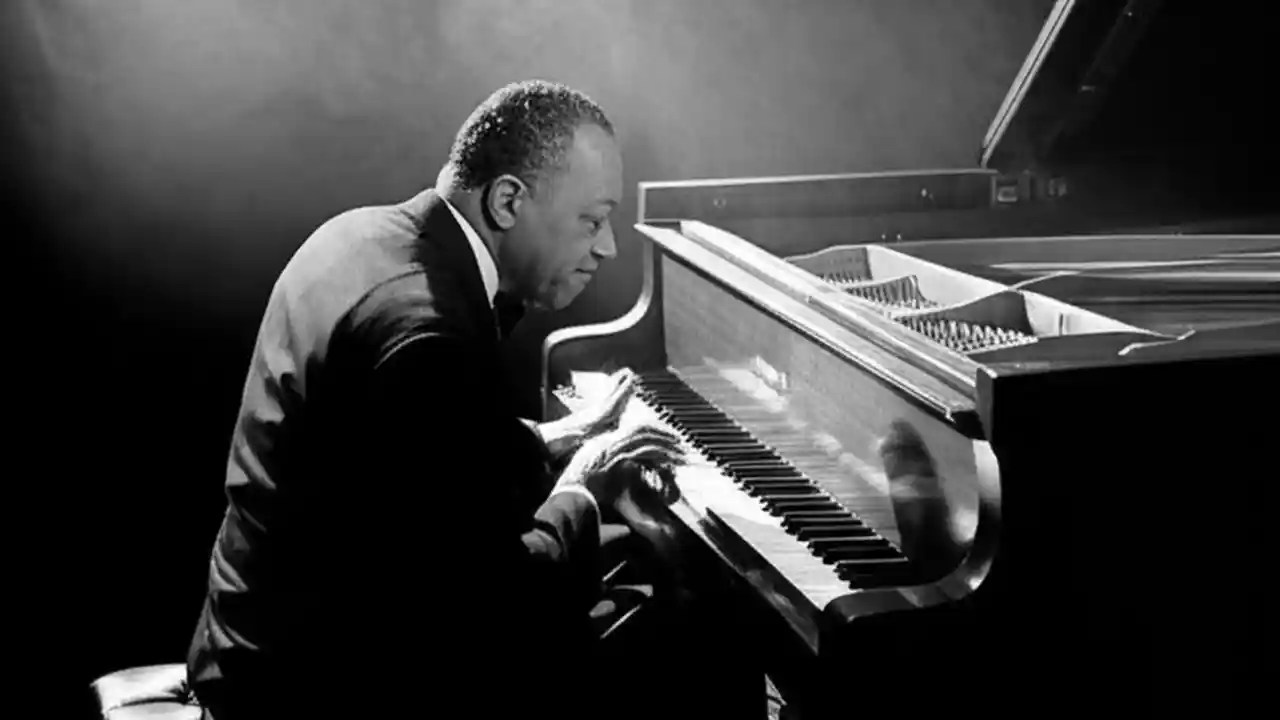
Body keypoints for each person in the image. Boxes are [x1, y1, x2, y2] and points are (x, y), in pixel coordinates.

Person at [186, 79, 685, 719]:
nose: (608, 245)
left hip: (249, 637)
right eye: (592, 219)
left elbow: (404, 461)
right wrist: (582, 490)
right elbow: (490, 601)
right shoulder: (430, 336)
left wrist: (548, 438)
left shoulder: (357, 236)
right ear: (507, 201)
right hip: (305, 683)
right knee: (665, 648)